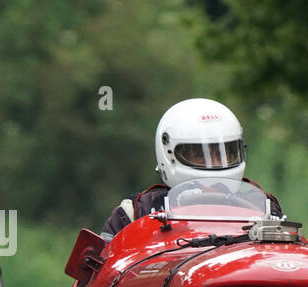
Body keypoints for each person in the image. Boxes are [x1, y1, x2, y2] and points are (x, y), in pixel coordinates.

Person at [102, 98, 282, 235]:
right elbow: (98, 276)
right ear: (168, 153)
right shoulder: (135, 211)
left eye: (223, 153)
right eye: (199, 155)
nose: (214, 163)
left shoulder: (264, 206)